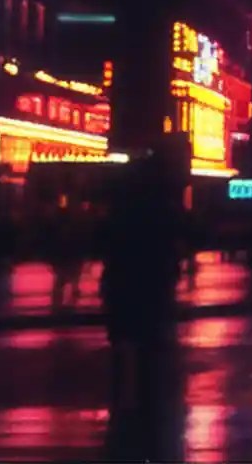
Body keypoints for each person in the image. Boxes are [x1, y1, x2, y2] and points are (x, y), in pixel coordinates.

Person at [100, 151, 185, 461]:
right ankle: (145, 405)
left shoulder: (121, 212)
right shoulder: (162, 211)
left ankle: (126, 405)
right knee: (151, 352)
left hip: (124, 293)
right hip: (150, 295)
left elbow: (106, 245)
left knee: (125, 349)